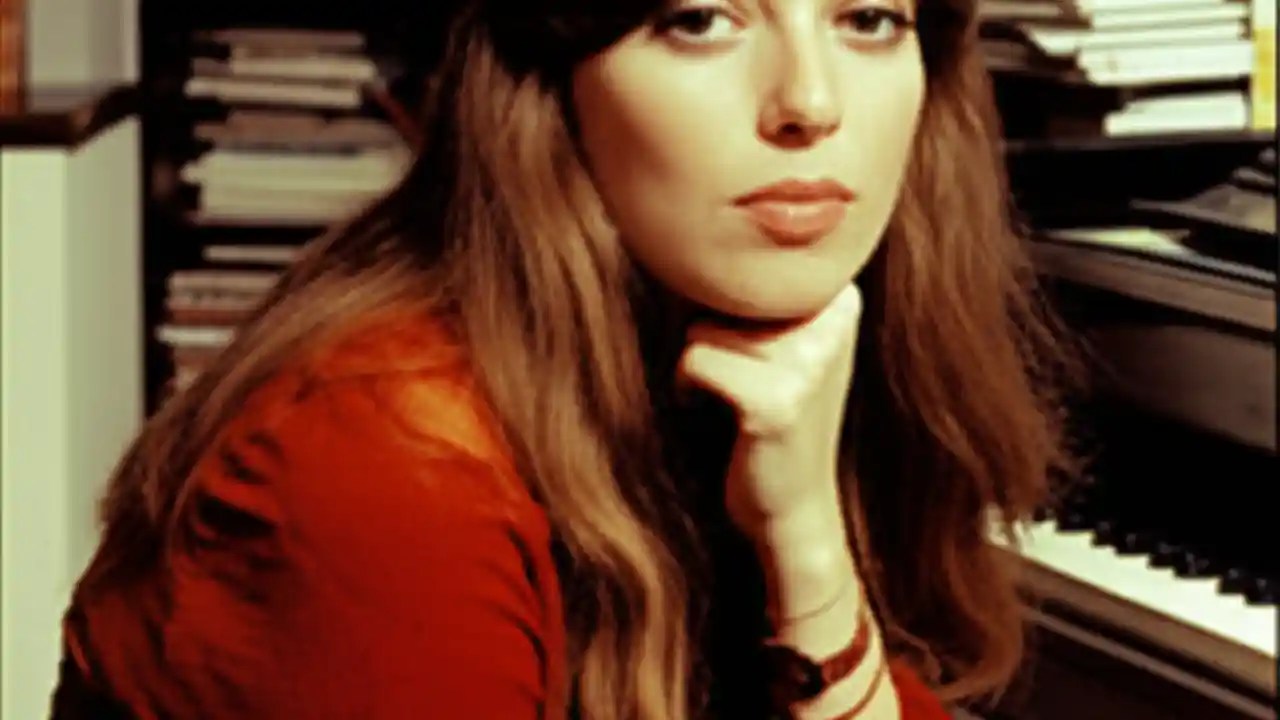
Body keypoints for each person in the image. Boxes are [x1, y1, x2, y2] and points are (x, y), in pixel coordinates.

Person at [49, 0, 1078, 718]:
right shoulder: (383, 468)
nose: (809, 102)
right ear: (553, 83)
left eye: (868, 19)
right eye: (699, 17)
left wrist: (806, 536)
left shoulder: (746, 362)